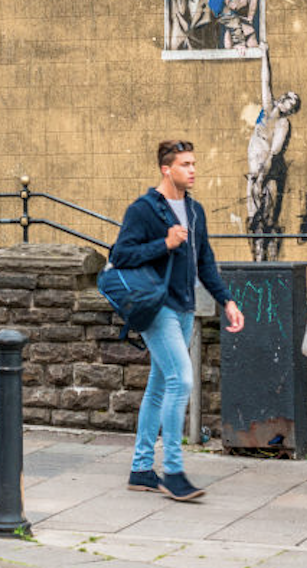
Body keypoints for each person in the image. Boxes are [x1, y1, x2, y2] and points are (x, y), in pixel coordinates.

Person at [112, 139, 245, 501]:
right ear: (166, 169)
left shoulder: (194, 210)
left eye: (194, 163)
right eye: (185, 164)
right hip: (157, 308)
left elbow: (205, 261)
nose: (193, 170)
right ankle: (172, 471)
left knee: (159, 386)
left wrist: (227, 301)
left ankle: (141, 469)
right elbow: (120, 255)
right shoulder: (143, 210)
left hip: (185, 308)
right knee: (181, 380)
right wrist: (165, 244)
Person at [247, 43, 301, 261]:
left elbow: (274, 153)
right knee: (254, 216)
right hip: (255, 172)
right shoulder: (268, 109)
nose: (287, 105)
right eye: (288, 100)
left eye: (292, 105)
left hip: (268, 172)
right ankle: (257, 254)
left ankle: (267, 256)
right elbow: (265, 81)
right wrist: (264, 55)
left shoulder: (283, 124)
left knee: (268, 216)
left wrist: (262, 175)